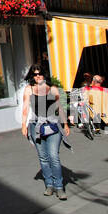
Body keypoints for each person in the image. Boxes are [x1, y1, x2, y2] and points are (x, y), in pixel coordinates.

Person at [21, 64, 70, 200]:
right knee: (43, 157)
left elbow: (60, 107)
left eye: (40, 74)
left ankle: (59, 187)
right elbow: (25, 108)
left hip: (53, 125)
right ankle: (49, 185)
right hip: (36, 126)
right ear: (32, 76)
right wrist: (23, 125)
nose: (38, 77)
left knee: (53, 156)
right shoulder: (29, 89)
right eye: (35, 74)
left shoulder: (52, 89)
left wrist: (65, 123)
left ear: (44, 75)